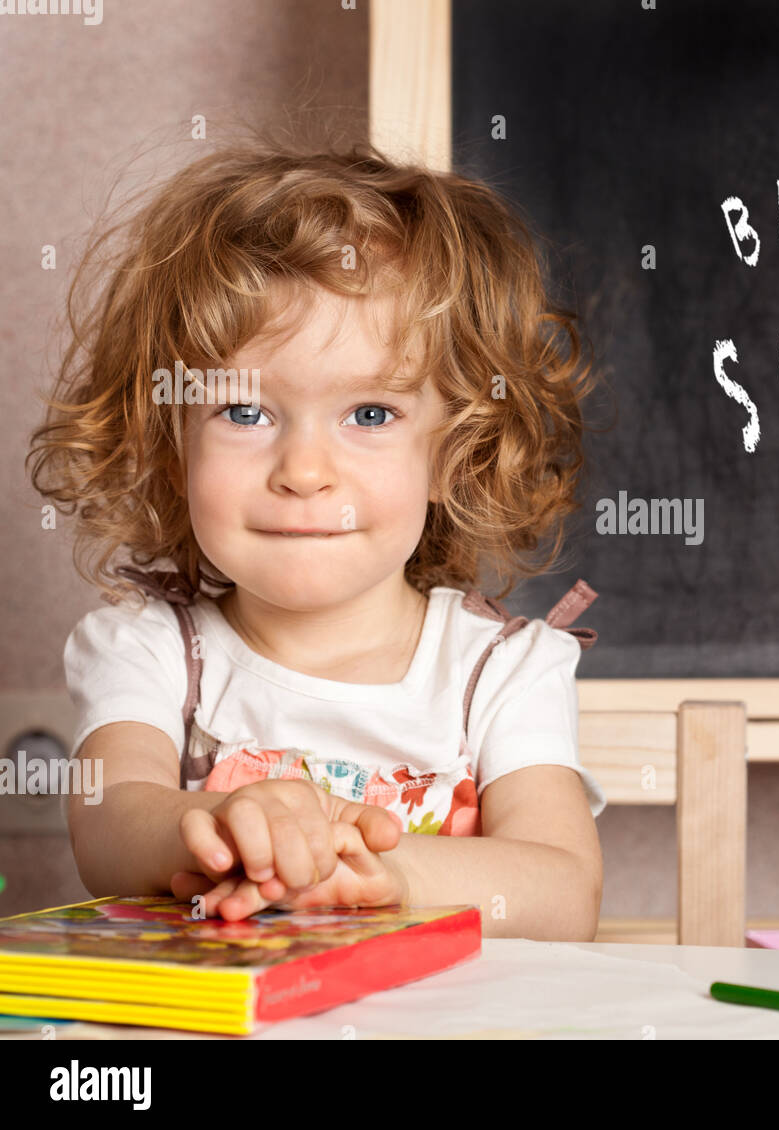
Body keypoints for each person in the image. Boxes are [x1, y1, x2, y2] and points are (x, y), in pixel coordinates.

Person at [27, 139, 607, 940]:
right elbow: (111, 823)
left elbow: (563, 888)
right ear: (174, 448)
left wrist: (381, 872)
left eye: (371, 414)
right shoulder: (150, 652)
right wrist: (227, 824)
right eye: (243, 412)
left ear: (455, 456)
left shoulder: (502, 672)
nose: (303, 471)